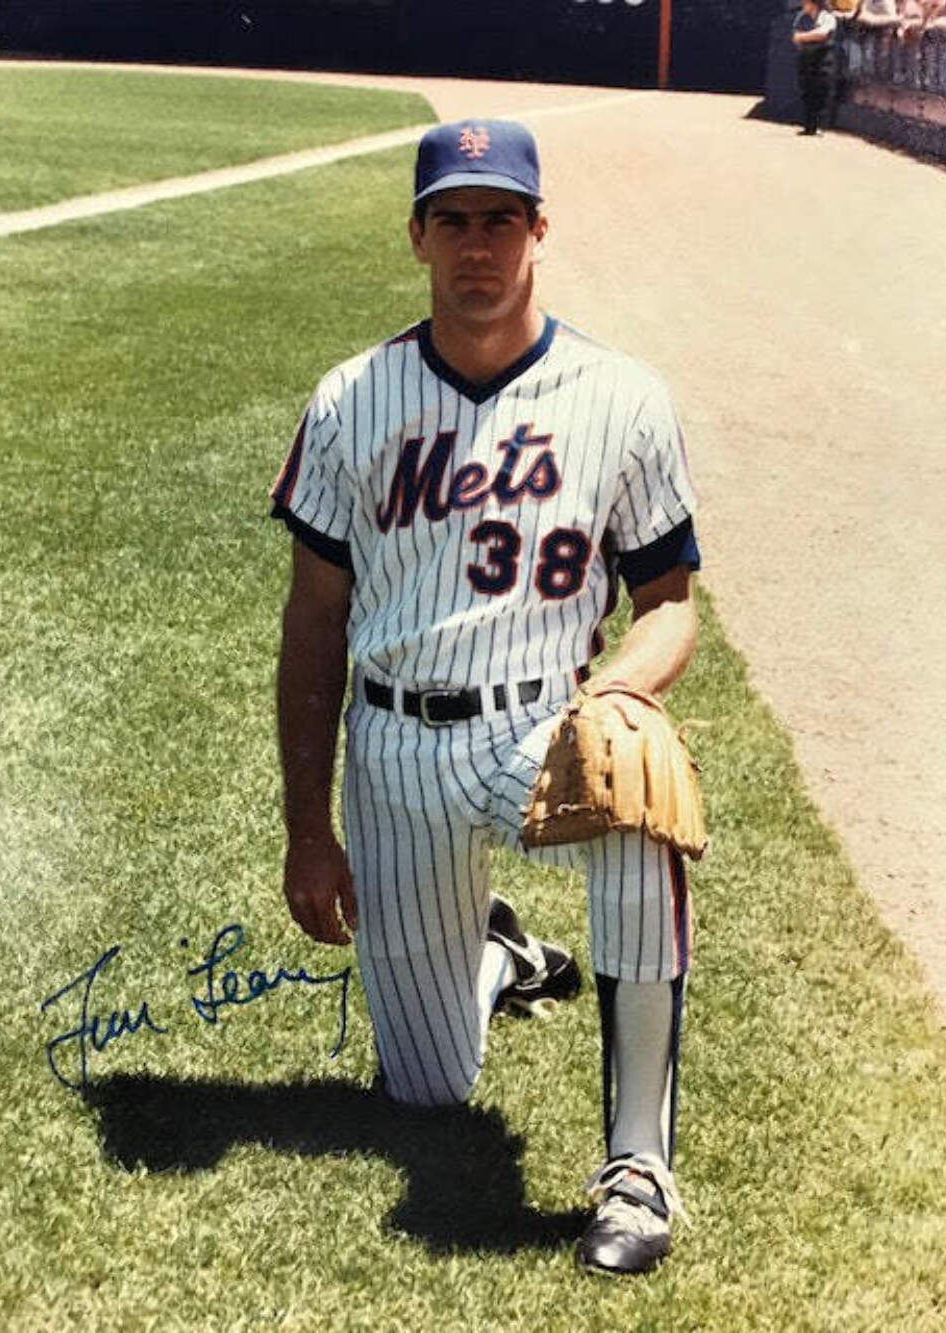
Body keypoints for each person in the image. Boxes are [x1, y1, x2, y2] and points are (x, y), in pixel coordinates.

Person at [270, 119, 701, 1277]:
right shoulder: (352, 397)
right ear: (415, 235)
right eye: (452, 220)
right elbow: (312, 622)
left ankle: (635, 1164)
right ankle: (498, 961)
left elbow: (671, 598)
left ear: (538, 231)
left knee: (637, 819)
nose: (476, 246)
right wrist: (309, 829)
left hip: (536, 730)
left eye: (499, 219)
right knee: (426, 1090)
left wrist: (616, 691)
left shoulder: (620, 396)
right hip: (393, 746)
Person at [793, 0, 840, 134]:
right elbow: (795, 36)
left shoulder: (828, 17)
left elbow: (822, 33)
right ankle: (809, 126)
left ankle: (820, 126)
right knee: (807, 91)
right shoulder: (802, 17)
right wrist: (801, 40)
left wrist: (803, 37)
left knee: (821, 91)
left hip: (822, 59)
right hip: (807, 59)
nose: (803, 4)